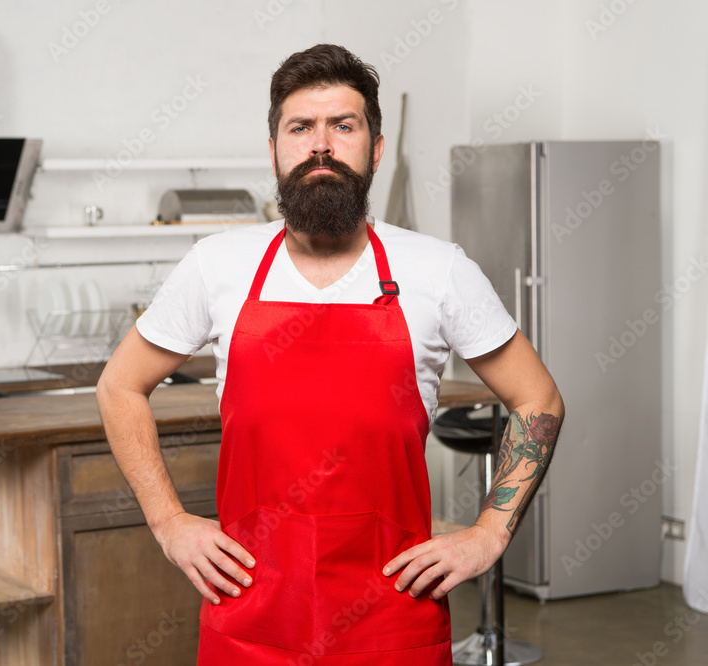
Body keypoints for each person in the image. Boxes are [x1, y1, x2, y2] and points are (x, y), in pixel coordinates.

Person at [96, 43, 564, 665]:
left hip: (395, 613)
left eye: (343, 126)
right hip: (251, 607)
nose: (322, 145)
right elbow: (119, 387)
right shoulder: (217, 266)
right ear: (275, 150)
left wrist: (488, 533)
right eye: (301, 128)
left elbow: (538, 398)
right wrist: (169, 523)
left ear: (373, 149)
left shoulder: (438, 270)